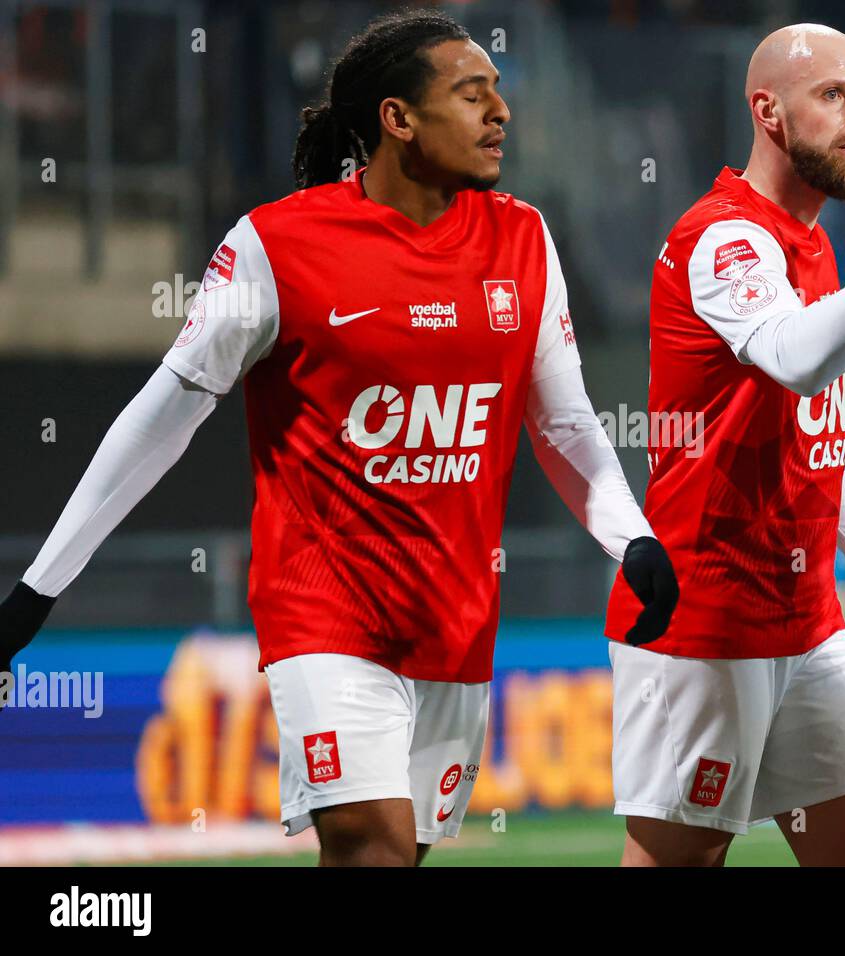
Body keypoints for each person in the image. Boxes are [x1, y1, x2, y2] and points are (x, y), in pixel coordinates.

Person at [0, 8, 678, 867]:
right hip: (324, 615)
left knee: (393, 857)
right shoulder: (277, 245)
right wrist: (36, 591)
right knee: (373, 849)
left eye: (498, 94)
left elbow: (566, 422)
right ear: (397, 119)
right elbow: (163, 414)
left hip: (457, 628)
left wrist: (633, 538)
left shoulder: (525, 240)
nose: (501, 112)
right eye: (473, 95)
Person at [603, 23, 845, 866]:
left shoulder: (808, 241)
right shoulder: (726, 237)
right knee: (679, 860)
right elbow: (800, 363)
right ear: (767, 111)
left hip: (802, 620)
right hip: (706, 617)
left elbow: (797, 429)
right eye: (834, 95)